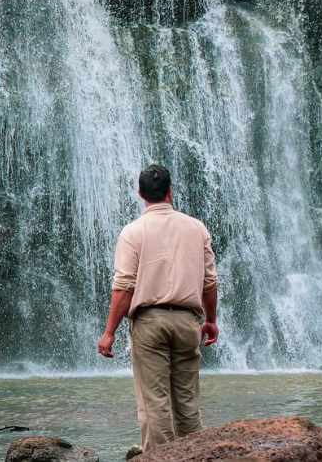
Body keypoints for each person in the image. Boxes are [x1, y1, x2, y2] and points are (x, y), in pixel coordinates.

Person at [97, 163, 219, 451]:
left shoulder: (133, 231)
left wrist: (109, 331)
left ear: (140, 193)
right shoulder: (196, 228)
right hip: (188, 322)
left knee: (156, 404)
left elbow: (124, 286)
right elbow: (210, 282)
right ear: (170, 191)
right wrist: (210, 320)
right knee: (188, 404)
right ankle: (197, 457)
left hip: (149, 323)